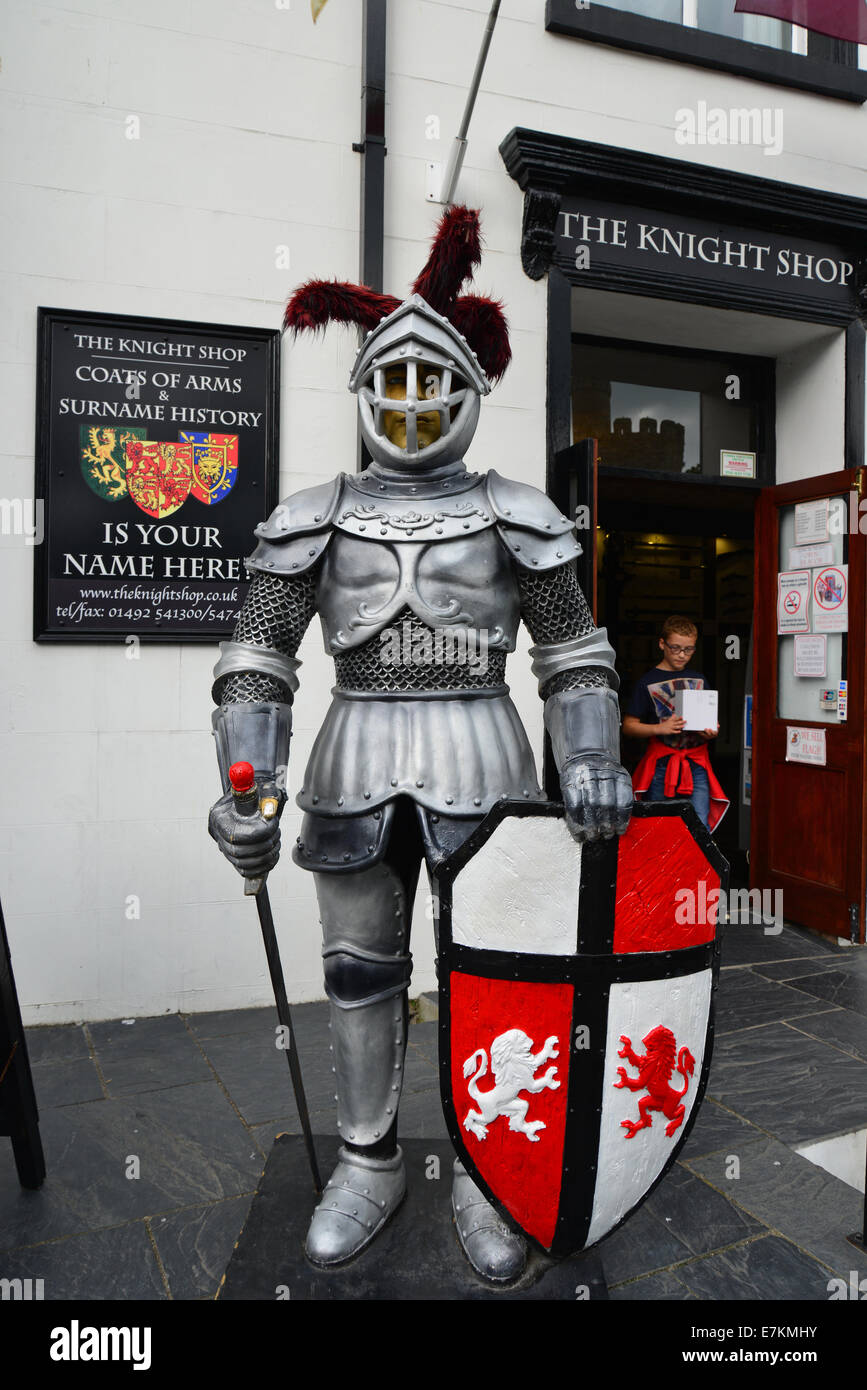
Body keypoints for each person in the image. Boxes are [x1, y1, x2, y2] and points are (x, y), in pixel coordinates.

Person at [206, 206, 633, 1284]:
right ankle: (368, 1161)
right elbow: (259, 655)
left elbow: (573, 652)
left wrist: (588, 758)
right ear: (363, 394)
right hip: (352, 755)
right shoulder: (316, 510)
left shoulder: (518, 509)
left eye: (427, 382)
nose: (408, 401)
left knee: (495, 971)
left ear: (467, 393)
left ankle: (492, 1172)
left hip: (483, 753)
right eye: (389, 382)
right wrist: (243, 789)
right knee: (358, 969)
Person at [623, 615, 728, 832]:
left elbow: (710, 721)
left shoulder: (699, 679)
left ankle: (696, 867)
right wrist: (658, 728)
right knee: (658, 823)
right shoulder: (646, 682)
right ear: (662, 644)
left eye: (689, 649)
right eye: (676, 648)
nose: (682, 655)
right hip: (662, 764)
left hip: (697, 763)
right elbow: (628, 725)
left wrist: (711, 731)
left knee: (699, 824)